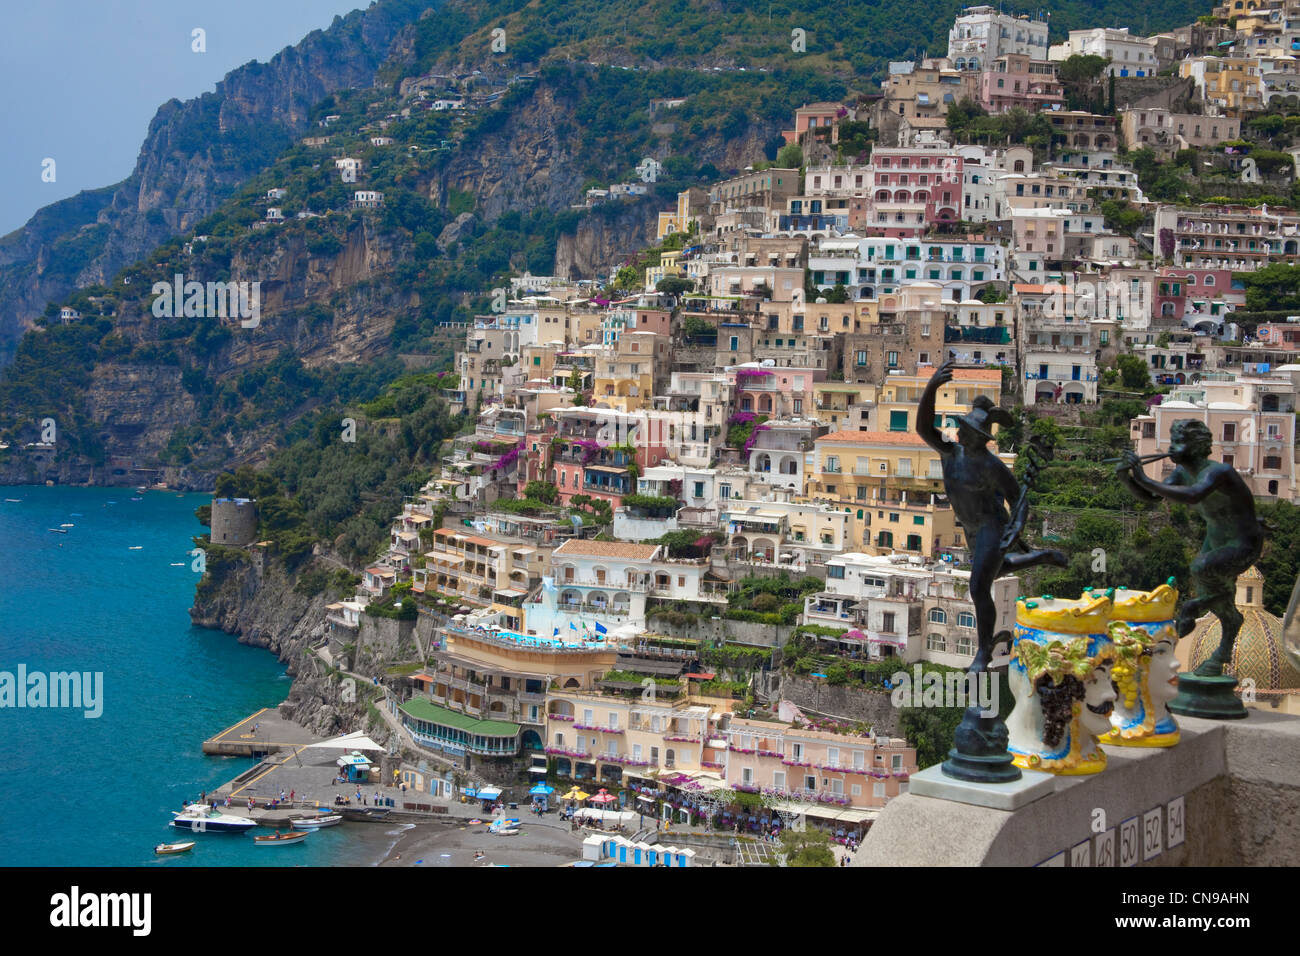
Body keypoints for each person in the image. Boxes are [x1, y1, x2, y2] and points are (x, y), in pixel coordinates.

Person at [1116, 420, 1264, 675]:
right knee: (1216, 593)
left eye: (1179, 443)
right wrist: (1127, 480)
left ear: (1196, 447)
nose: (1173, 448)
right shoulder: (1182, 473)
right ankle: (1223, 643)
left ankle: (1193, 608)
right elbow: (1153, 497)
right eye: (1172, 442)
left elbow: (1194, 495)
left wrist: (1141, 476)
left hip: (1243, 542)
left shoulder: (1219, 472)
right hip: (1216, 538)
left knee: (1201, 568)